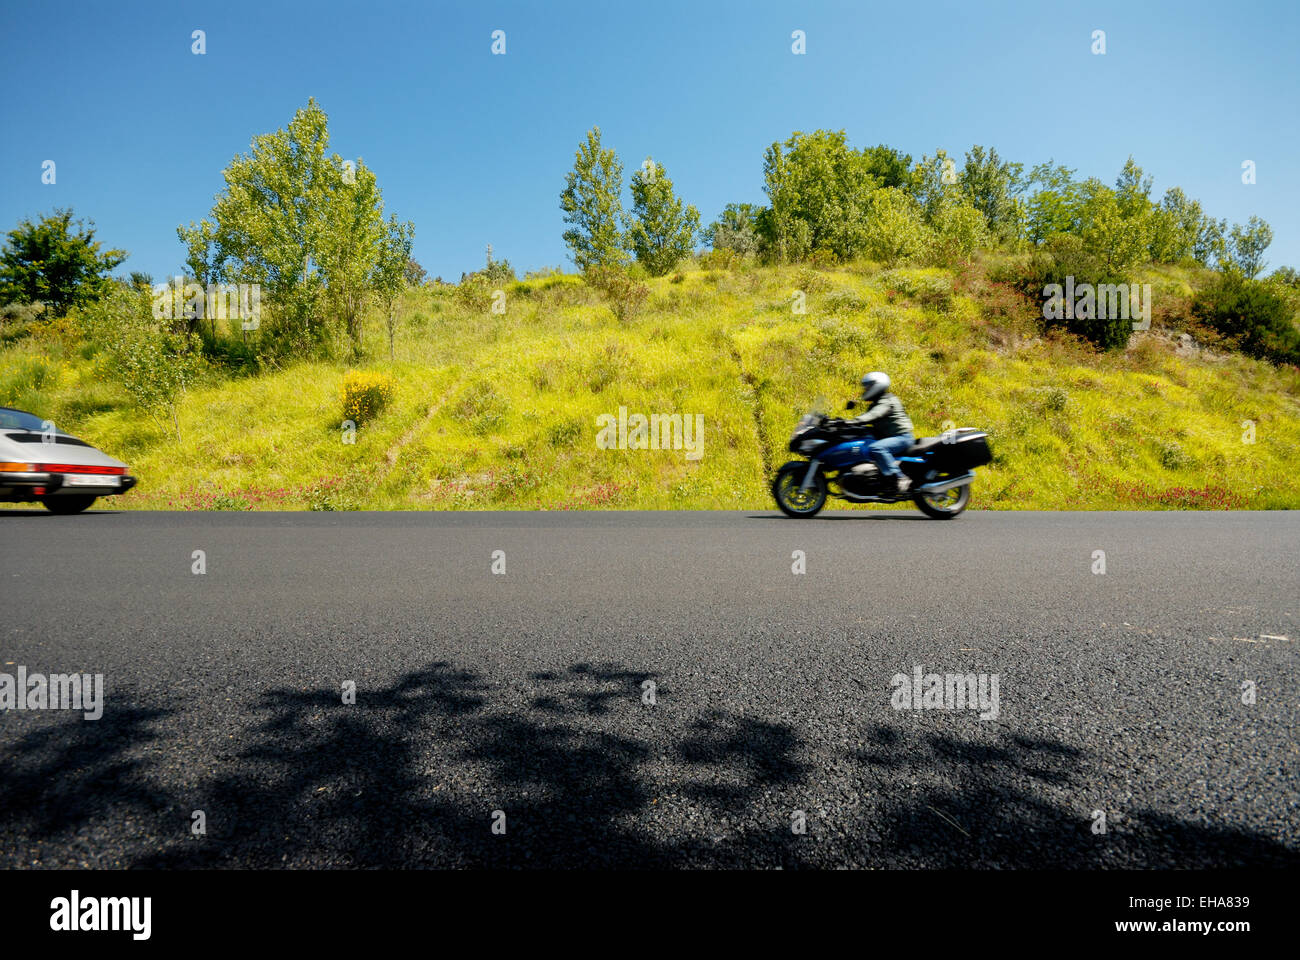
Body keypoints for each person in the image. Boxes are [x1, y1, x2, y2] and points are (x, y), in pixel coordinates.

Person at [848, 371, 915, 493]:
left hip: (902, 437)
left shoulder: (887, 400)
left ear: (877, 385)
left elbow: (875, 414)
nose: (866, 389)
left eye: (868, 386)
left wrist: (855, 421)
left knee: (877, 448)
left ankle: (900, 478)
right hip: (892, 437)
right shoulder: (875, 403)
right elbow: (869, 419)